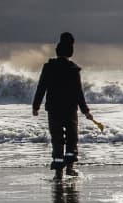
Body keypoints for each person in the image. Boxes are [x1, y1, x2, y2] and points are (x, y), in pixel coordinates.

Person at [32, 32, 94, 177]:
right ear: (71, 52)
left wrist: (36, 106)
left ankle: (58, 172)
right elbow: (79, 93)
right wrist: (85, 111)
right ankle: (69, 169)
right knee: (72, 138)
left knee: (57, 139)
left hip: (53, 109)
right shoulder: (73, 70)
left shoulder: (49, 67)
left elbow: (41, 88)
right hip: (70, 110)